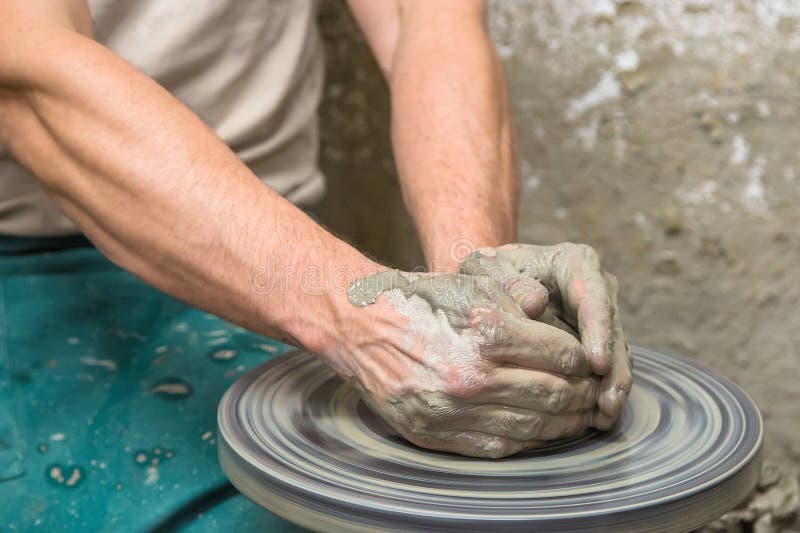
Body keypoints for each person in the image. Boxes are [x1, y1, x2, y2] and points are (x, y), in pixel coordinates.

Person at [0, 0, 631, 460]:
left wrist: (477, 283)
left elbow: (431, 20)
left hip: (276, 239)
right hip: (30, 268)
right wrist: (362, 317)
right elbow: (34, 75)